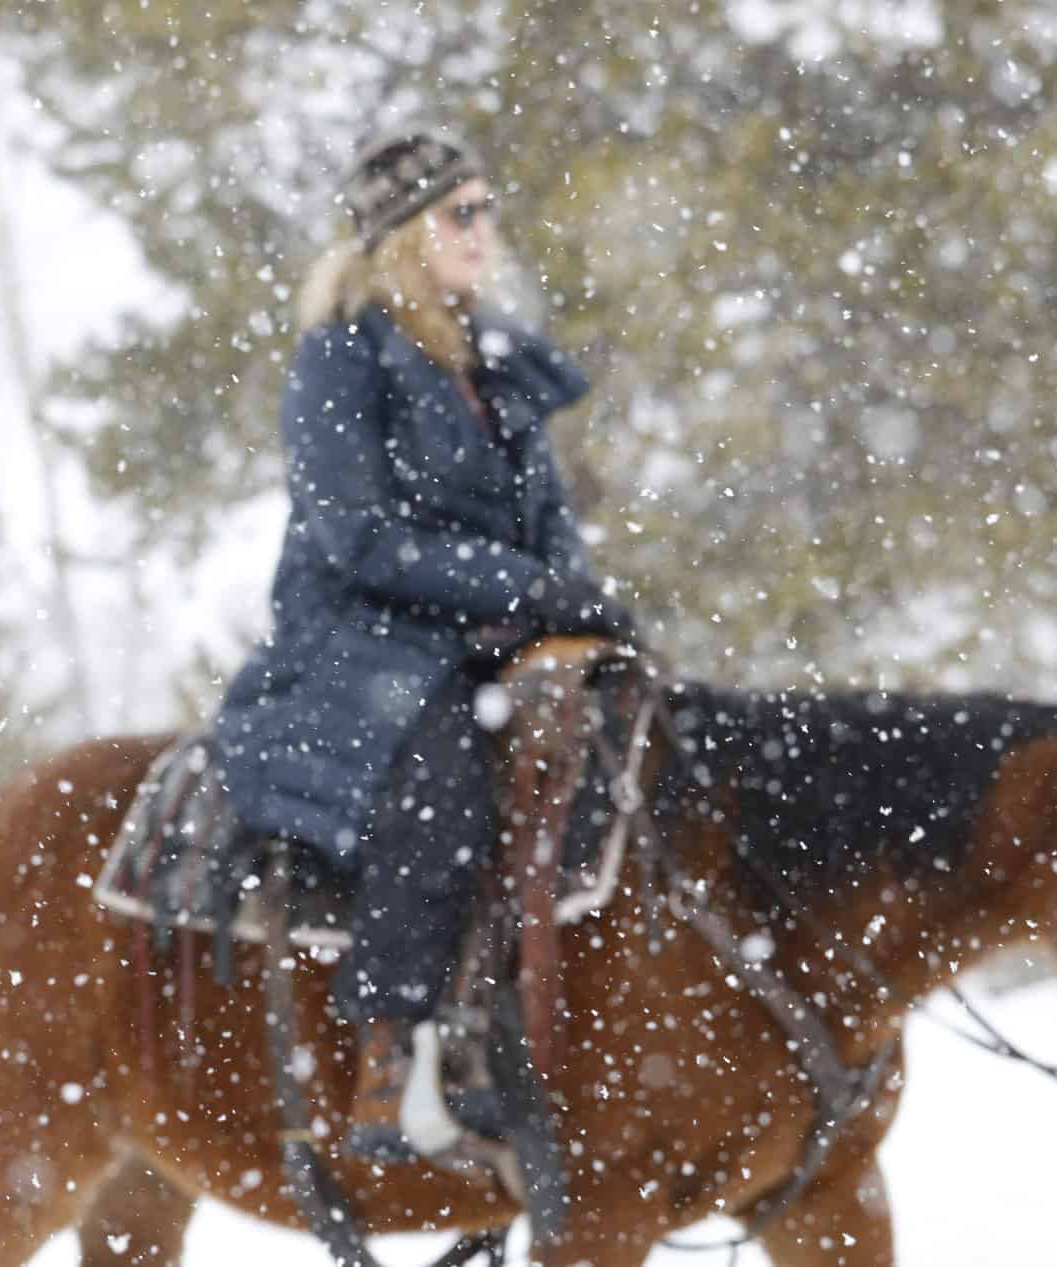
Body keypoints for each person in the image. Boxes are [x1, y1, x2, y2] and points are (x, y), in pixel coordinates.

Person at [213, 125, 633, 1160]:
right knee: (443, 772)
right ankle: (391, 1050)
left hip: (492, 631)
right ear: (404, 234)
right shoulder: (340, 358)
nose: (484, 230)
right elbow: (355, 538)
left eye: (488, 209)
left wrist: (579, 601)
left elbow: (545, 521)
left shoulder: (494, 361)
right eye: (462, 212)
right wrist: (523, 586)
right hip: (362, 641)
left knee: (633, 742)